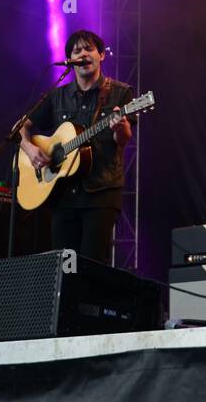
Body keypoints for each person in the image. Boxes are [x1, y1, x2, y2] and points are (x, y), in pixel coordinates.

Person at [20, 29, 133, 262]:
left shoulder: (120, 93)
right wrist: (29, 148)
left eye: (89, 49)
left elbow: (123, 139)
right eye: (77, 51)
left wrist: (119, 128)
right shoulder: (57, 95)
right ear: (70, 60)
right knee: (64, 267)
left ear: (101, 54)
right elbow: (20, 127)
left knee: (91, 265)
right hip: (64, 195)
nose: (83, 54)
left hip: (101, 193)